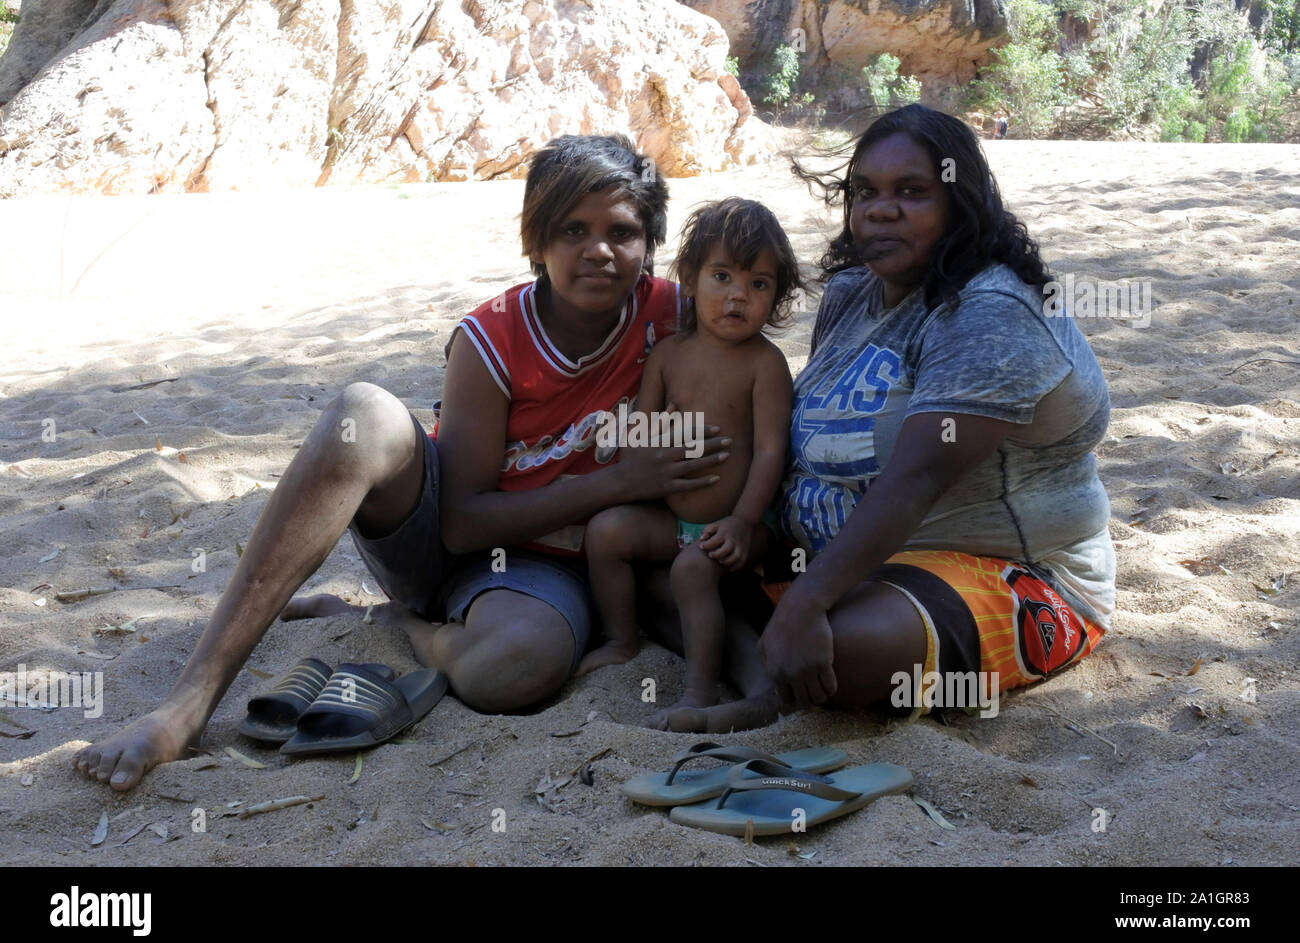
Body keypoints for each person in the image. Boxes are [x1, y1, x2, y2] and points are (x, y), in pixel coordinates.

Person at [73, 133, 733, 790]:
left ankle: (399, 627)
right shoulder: (491, 338)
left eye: (622, 231)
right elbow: (463, 523)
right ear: (535, 242)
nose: (598, 251)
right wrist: (619, 481)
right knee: (364, 413)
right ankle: (185, 706)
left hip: (551, 572)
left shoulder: (675, 318)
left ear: (651, 245)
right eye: (571, 230)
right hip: (447, 543)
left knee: (515, 669)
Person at [668, 104, 1115, 734]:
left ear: (962, 203)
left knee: (849, 650)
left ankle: (773, 665)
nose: (880, 209)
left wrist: (810, 600)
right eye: (864, 192)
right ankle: (766, 671)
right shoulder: (854, 291)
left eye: (912, 192)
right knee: (660, 564)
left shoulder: (990, 311)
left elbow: (917, 478)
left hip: (998, 565)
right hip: (830, 562)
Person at [573, 198, 800, 729]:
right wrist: (652, 438)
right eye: (722, 276)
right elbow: (637, 439)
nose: (738, 296)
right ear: (691, 280)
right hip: (673, 520)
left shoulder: (766, 365)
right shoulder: (669, 355)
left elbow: (771, 451)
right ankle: (622, 640)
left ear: (776, 298)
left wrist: (745, 522)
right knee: (605, 533)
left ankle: (698, 693)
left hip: (742, 526)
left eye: (759, 284)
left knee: (693, 569)